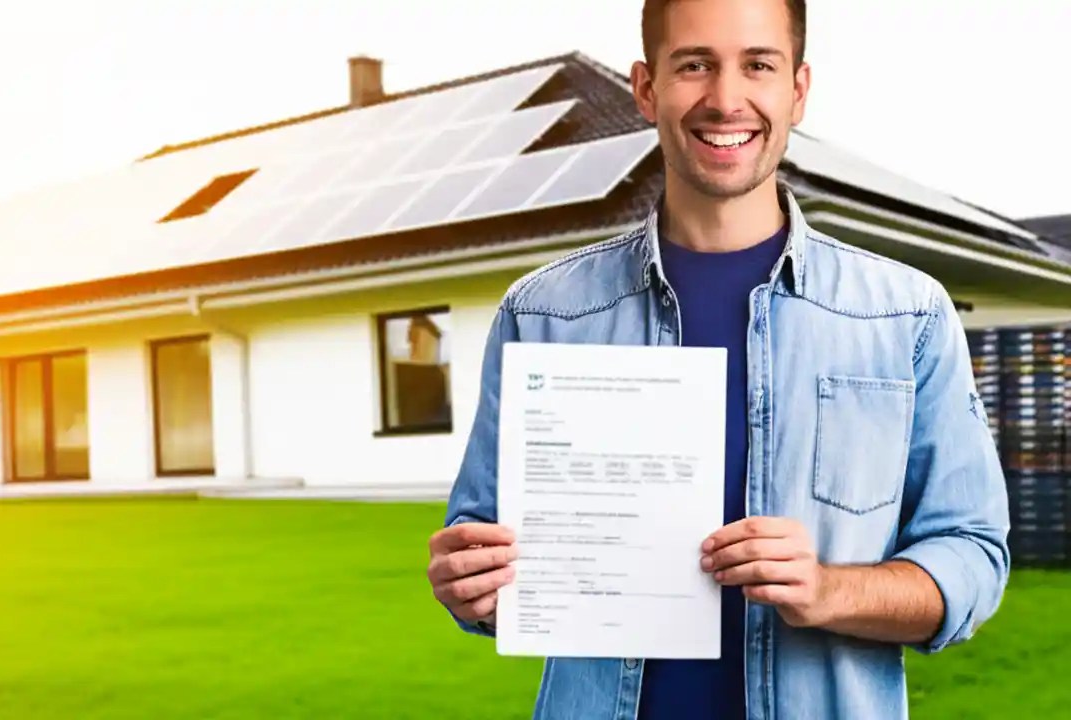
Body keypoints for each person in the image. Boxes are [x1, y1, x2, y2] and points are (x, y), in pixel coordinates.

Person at [425, 0, 1011, 718]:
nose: (726, 99)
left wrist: (830, 589)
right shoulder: (543, 314)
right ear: (646, 88)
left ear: (797, 89)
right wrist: (472, 587)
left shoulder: (905, 315)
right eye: (694, 64)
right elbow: (485, 558)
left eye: (757, 65)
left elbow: (973, 560)